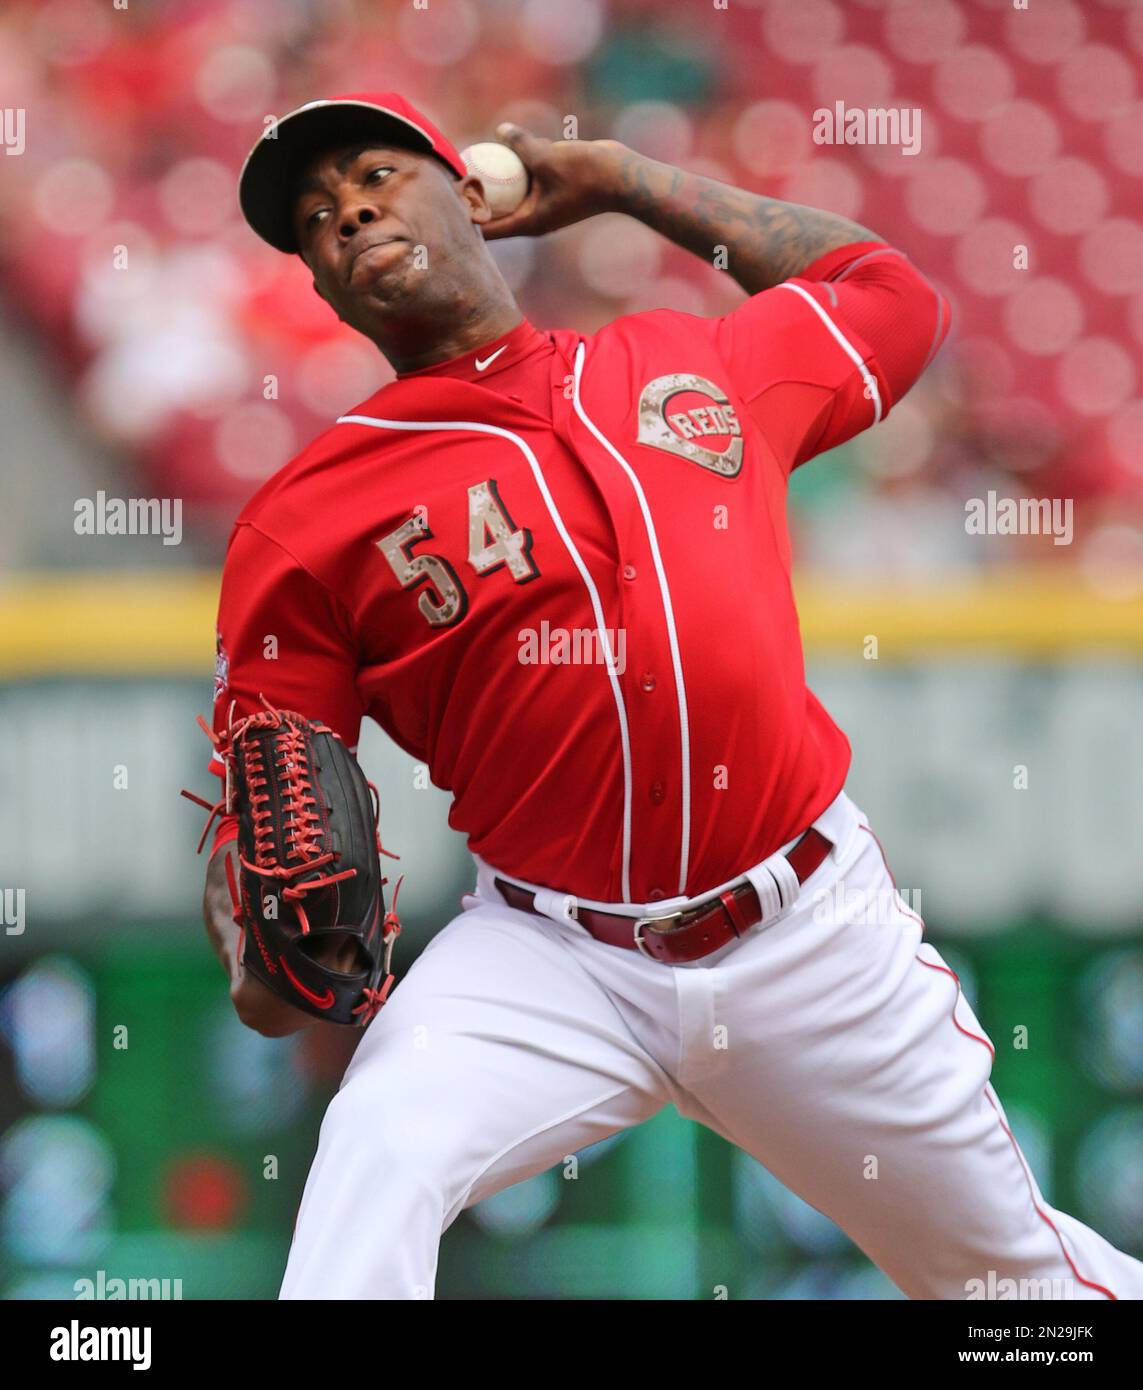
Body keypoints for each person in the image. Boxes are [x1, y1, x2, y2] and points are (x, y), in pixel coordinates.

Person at [198, 91, 1142, 1300]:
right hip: (549, 954)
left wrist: (630, 181)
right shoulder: (306, 519)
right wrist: (248, 938)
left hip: (807, 937)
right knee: (377, 1149)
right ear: (325, 291)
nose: (350, 212)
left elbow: (892, 300)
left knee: (1010, 1286)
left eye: (378, 173)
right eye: (318, 220)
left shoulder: (689, 359)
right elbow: (262, 786)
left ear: (467, 190)